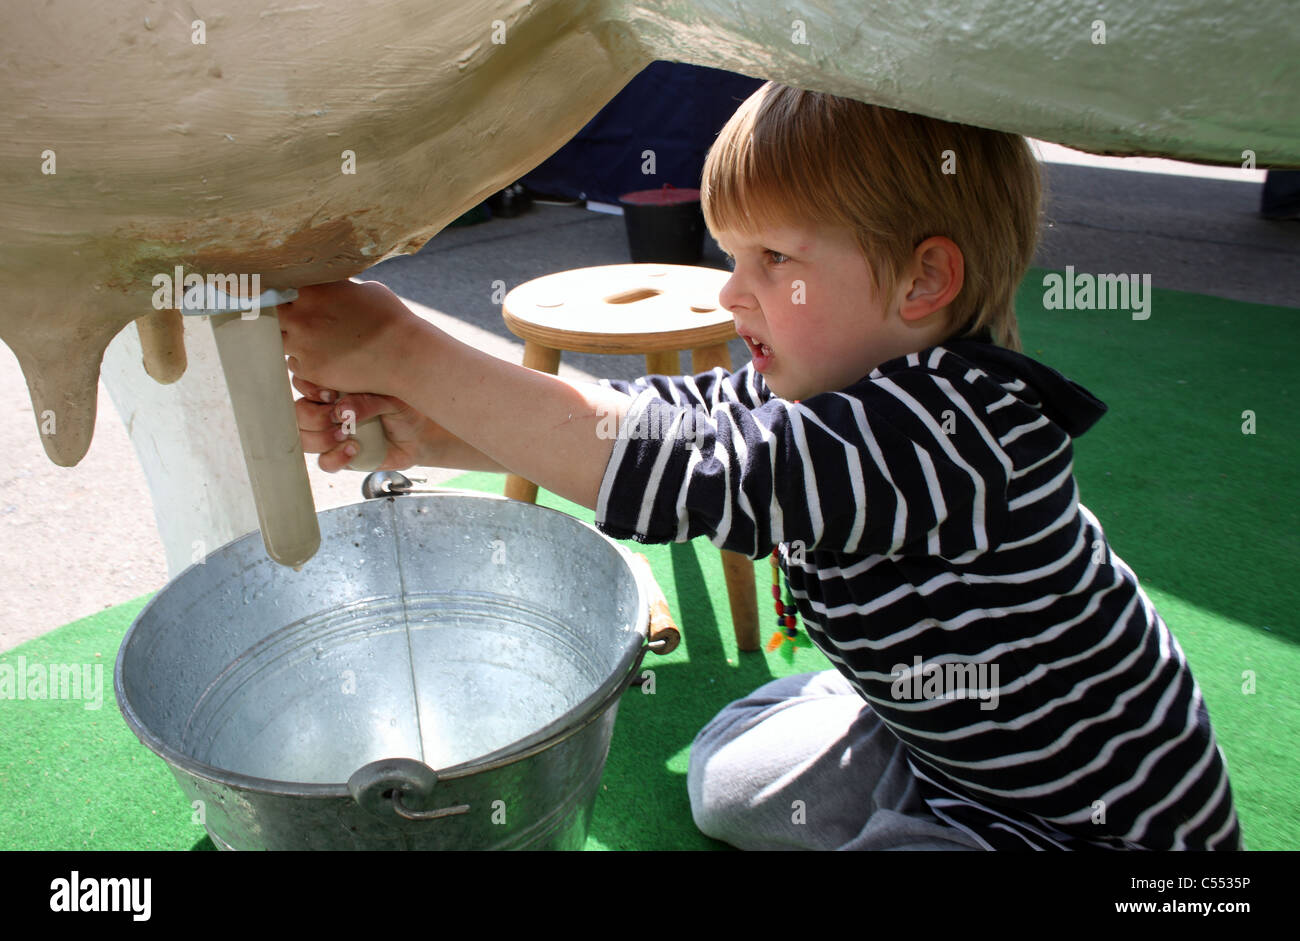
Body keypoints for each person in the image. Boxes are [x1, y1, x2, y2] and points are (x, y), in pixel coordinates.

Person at [279, 81, 1242, 851]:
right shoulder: (808, 386)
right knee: (728, 787)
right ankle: (888, 719)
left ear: (922, 280)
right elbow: (663, 421)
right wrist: (422, 428)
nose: (735, 291)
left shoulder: (957, 427)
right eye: (735, 253)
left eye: (774, 256)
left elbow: (688, 470)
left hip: (1082, 826)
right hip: (940, 743)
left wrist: (411, 351)